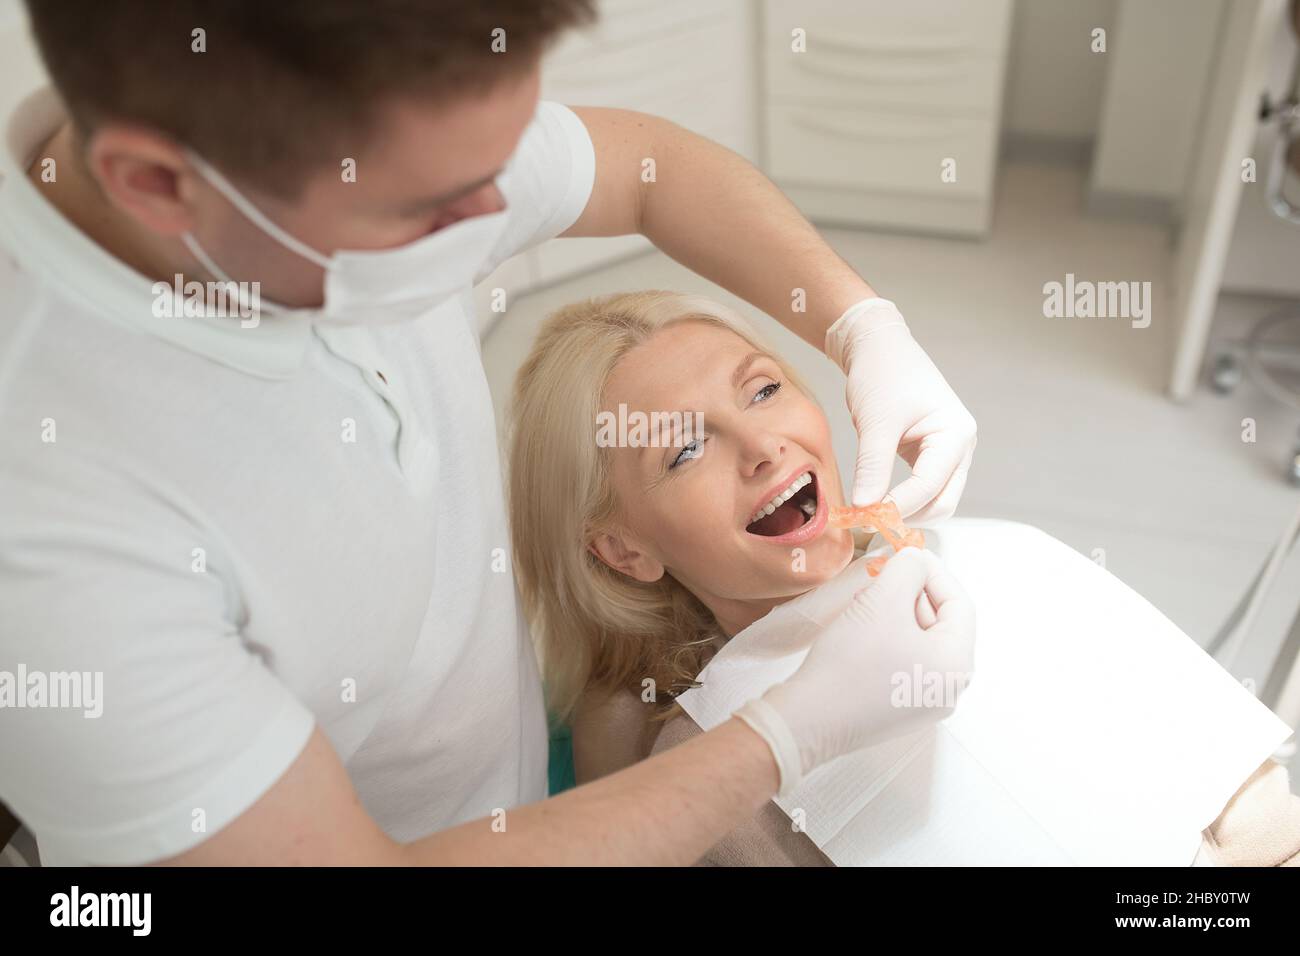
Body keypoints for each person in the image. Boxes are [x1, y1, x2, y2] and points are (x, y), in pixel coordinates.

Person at [0, 1, 976, 865]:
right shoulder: (51, 535)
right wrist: (781, 737)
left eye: (500, 159)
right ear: (160, 184)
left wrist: (859, 322)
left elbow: (646, 167)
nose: (499, 217)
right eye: (428, 208)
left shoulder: (346, 137)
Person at [509, 290, 1300, 866]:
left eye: (762, 389)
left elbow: (1261, 819)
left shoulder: (1003, 558)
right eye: (683, 450)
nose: (762, 445)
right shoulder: (707, 762)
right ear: (624, 551)